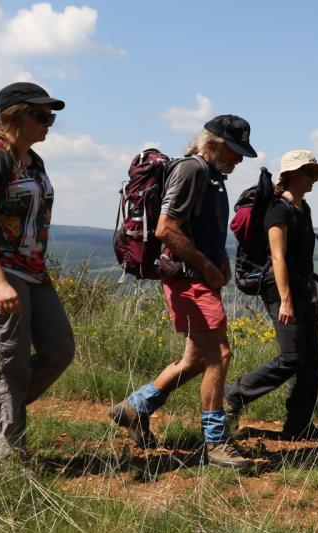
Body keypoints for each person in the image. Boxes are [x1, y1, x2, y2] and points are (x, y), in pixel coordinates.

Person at [109, 115, 257, 469]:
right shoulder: (192, 170)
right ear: (213, 144)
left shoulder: (212, 175)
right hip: (188, 278)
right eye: (234, 151)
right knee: (219, 355)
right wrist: (206, 266)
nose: (238, 159)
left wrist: (220, 260)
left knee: (196, 360)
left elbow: (205, 230)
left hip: (198, 276)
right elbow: (166, 229)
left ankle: (134, 408)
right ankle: (216, 442)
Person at [0, 82, 76, 462]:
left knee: (59, 350)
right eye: (41, 116)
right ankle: (7, 457)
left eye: (51, 116)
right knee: (12, 362)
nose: (49, 124)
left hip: (33, 272)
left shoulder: (33, 161)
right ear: (15, 115)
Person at [224, 150, 318, 440]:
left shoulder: (303, 209)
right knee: (292, 357)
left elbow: (305, 260)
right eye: (309, 173)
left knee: (312, 361)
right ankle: (233, 394)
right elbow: (278, 257)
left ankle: (298, 425)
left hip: (302, 288)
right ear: (293, 174)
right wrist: (285, 299)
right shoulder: (277, 209)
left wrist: (314, 295)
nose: (313, 180)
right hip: (279, 287)